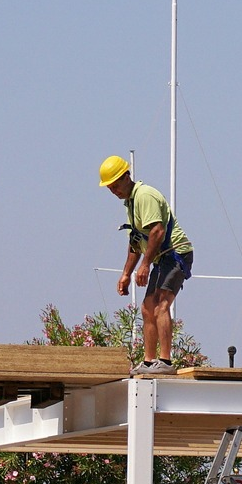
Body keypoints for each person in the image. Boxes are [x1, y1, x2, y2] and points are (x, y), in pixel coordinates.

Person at [97, 155, 194, 375]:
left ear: (126, 176)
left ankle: (165, 362)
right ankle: (149, 362)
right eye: (110, 188)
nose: (114, 191)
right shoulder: (130, 203)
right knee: (147, 307)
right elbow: (136, 241)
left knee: (161, 305)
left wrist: (145, 265)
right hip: (160, 257)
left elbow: (157, 231)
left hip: (175, 253)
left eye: (116, 185)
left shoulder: (144, 195)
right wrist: (125, 274)